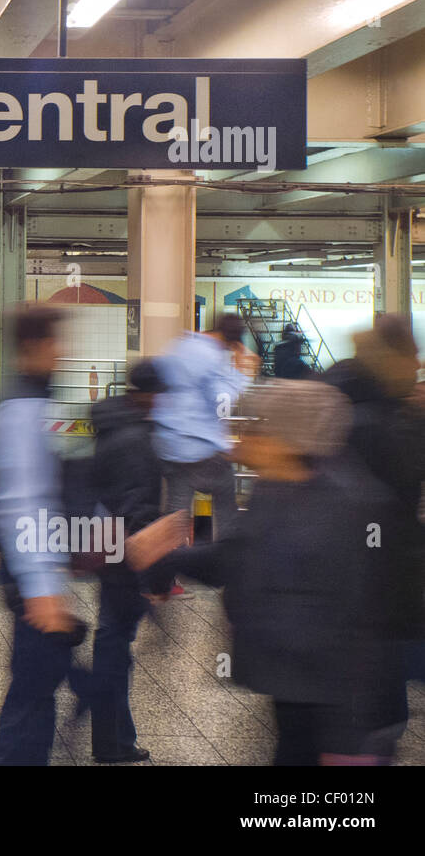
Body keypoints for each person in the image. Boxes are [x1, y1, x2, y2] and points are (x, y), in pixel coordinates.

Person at [135, 380, 401, 765]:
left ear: (287, 438)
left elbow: (362, 630)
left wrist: (348, 738)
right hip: (292, 687)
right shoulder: (275, 488)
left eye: (257, 426)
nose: (241, 440)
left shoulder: (350, 508)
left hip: (336, 710)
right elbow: (233, 559)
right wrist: (168, 553)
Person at [0, 307, 187, 765]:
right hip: (32, 585)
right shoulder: (22, 410)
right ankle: (102, 727)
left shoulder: (37, 403)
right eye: (57, 342)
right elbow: (22, 503)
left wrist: (107, 543)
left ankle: (100, 722)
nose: (64, 351)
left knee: (38, 692)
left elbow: (63, 492)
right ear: (32, 347)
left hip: (39, 580)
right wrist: (40, 589)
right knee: (33, 698)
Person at [324, 315, 425, 737]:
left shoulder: (358, 408)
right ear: (394, 358)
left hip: (363, 588)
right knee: (375, 710)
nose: (419, 364)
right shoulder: (379, 423)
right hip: (375, 585)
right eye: (412, 353)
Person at [79, 358, 172, 763]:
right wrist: (153, 577)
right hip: (125, 555)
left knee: (111, 641)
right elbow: (139, 510)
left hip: (107, 545)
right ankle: (113, 741)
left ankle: (112, 735)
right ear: (152, 396)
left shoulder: (113, 425)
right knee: (116, 645)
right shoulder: (136, 439)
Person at [151, 313, 258, 544]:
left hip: (168, 442)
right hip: (198, 448)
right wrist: (242, 375)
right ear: (234, 343)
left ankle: (169, 568)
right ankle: (226, 561)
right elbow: (222, 404)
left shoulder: (182, 344)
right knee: (226, 501)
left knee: (176, 511)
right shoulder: (213, 356)